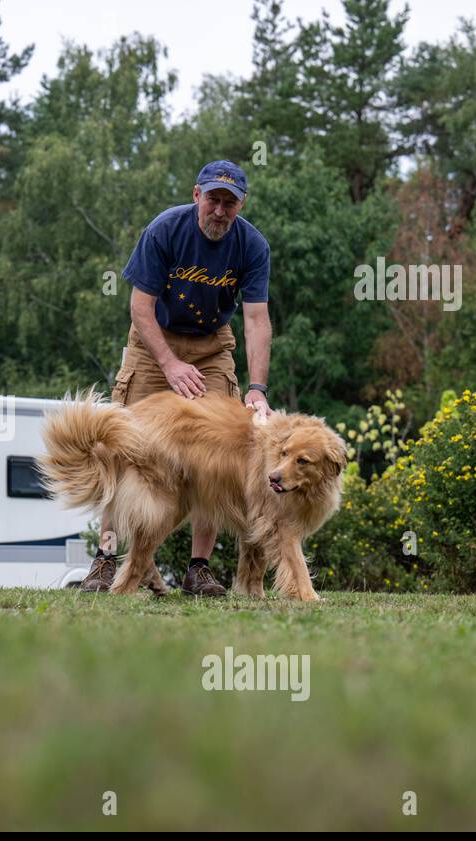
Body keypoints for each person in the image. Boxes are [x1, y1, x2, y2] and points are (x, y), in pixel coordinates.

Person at [80, 160, 273, 596]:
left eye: (230, 202)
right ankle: (106, 561)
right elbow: (139, 308)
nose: (220, 211)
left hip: (211, 345)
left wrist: (258, 390)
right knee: (122, 449)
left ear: (241, 204)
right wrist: (168, 364)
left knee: (218, 457)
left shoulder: (252, 245)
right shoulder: (164, 230)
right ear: (196, 196)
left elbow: (257, 320)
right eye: (213, 199)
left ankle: (198, 569)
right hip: (154, 343)